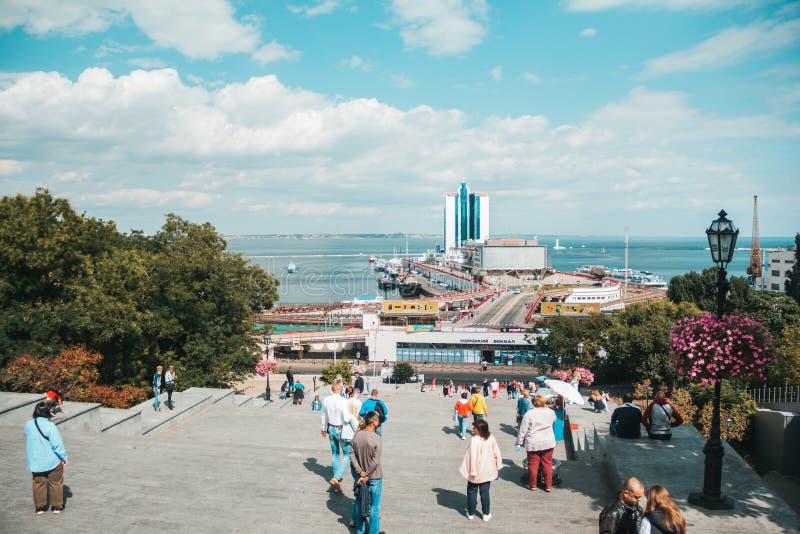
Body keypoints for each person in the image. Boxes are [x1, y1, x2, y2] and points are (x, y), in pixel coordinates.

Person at [25, 401, 68, 514]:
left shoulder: (28, 424)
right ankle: (56, 507)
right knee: (56, 482)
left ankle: (39, 508)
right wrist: (64, 457)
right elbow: (57, 444)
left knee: (38, 483)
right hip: (52, 460)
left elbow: (28, 436)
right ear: (47, 412)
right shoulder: (50, 426)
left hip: (35, 460)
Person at [460, 418, 503, 521]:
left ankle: (470, 513)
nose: (473, 429)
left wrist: (473, 471)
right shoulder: (491, 438)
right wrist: (498, 465)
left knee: (472, 492)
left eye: (474, 428)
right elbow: (497, 452)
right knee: (485, 493)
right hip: (487, 471)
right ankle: (486, 514)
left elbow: (472, 457)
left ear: (479, 429)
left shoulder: (474, 440)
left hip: (475, 472)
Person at [321, 379, 357, 492]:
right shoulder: (343, 400)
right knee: (347, 454)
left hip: (331, 428)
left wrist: (323, 429)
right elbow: (346, 418)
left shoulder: (326, 400)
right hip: (341, 430)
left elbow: (324, 416)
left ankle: (338, 482)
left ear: (332, 388)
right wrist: (353, 417)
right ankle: (336, 478)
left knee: (335, 454)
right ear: (341, 389)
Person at [350, 411, 383, 534]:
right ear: (374, 422)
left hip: (360, 475)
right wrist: (367, 474)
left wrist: (360, 472)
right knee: (374, 507)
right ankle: (373, 532)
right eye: (378, 420)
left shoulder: (357, 435)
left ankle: (360, 530)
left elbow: (351, 453)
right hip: (374, 476)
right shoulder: (377, 438)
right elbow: (375, 461)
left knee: (359, 503)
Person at [516, 394, 557, 491]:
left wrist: (519, 442)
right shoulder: (551, 412)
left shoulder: (529, 414)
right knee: (547, 464)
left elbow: (523, 430)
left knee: (533, 464)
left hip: (533, 442)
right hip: (548, 441)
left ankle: (533, 485)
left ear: (534, 402)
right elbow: (554, 421)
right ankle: (548, 485)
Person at [343, 393, 363, 530]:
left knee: (358, 491)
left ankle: (354, 518)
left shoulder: (346, 417)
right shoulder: (356, 421)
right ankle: (356, 519)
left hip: (350, 451)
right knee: (360, 492)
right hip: (359, 461)